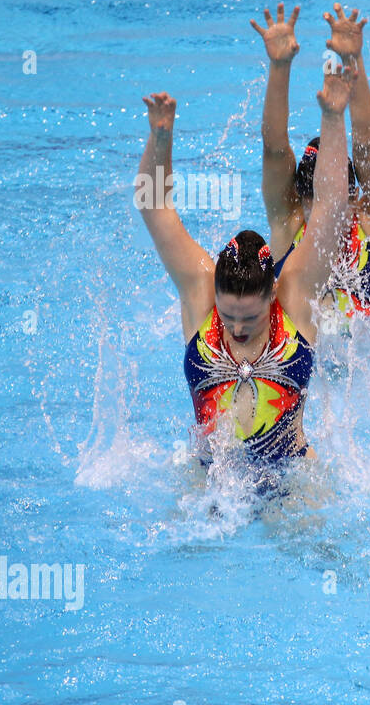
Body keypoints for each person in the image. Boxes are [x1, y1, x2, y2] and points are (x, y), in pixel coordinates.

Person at [132, 66, 356, 463]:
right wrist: (160, 138)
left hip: (293, 484)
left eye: (249, 319)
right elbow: (155, 208)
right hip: (211, 485)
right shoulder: (201, 293)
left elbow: (331, 209)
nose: (235, 328)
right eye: (229, 314)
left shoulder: (293, 297)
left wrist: (334, 120)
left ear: (271, 293)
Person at [251, 1, 370, 319]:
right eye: (310, 195)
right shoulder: (289, 229)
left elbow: (367, 147)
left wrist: (352, 58)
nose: (321, 205)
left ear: (355, 196)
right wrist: (279, 67)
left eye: (330, 194)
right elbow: (274, 150)